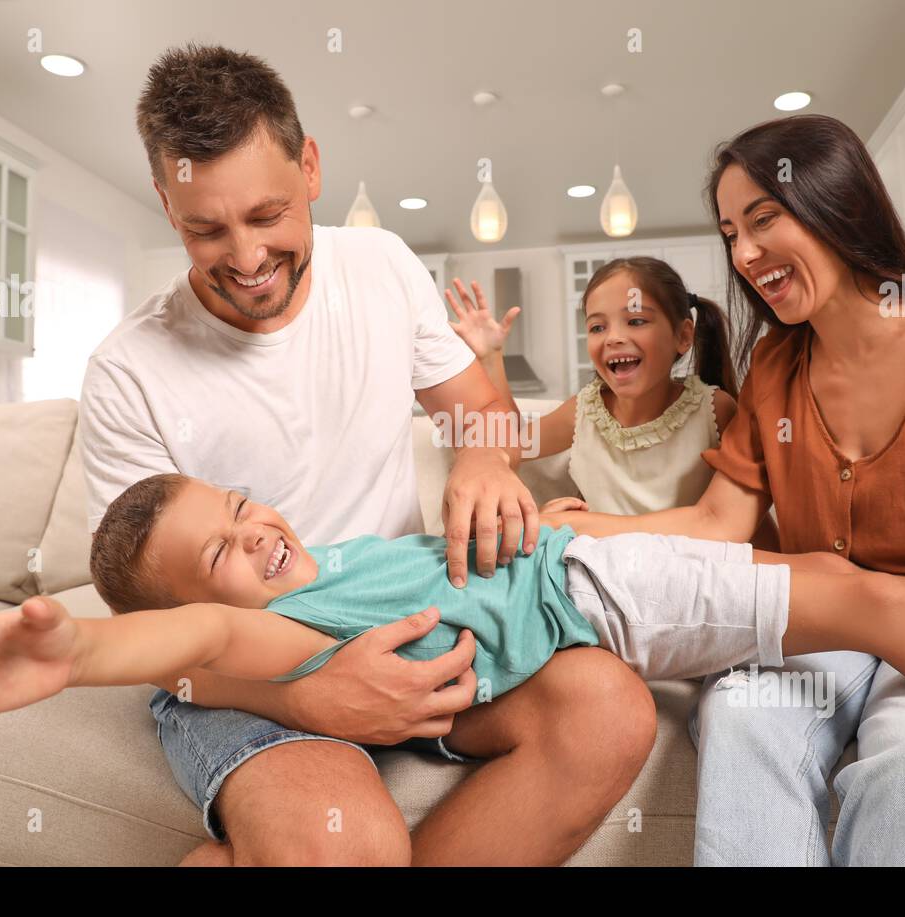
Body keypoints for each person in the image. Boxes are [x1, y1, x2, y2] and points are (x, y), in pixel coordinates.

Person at [76, 42, 656, 866]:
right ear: (169, 207)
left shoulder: (381, 266)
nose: (245, 260)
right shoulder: (127, 370)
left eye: (267, 216)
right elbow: (151, 633)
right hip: (250, 675)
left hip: (415, 620)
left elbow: (484, 414)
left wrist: (482, 461)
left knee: (610, 711)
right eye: (206, 229)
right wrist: (310, 692)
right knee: (344, 849)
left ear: (310, 168)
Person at [547, 114, 905, 865]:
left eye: (764, 219)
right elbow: (715, 522)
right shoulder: (776, 369)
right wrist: (565, 529)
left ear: (840, 202)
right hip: (831, 633)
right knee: (742, 718)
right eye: (731, 233)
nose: (746, 253)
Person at [0, 472, 905, 785]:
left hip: (581, 558)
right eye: (222, 555)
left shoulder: (324, 549)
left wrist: (534, 504)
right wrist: (71, 649)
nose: (257, 534)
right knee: (865, 603)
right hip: (599, 602)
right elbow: (186, 651)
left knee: (839, 574)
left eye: (242, 506)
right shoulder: (264, 633)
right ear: (205, 603)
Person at [444, 258, 745, 520]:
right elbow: (511, 443)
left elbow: (740, 521)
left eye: (636, 320)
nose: (613, 337)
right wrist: (490, 357)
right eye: (597, 327)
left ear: (682, 336)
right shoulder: (585, 411)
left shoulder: (715, 410)